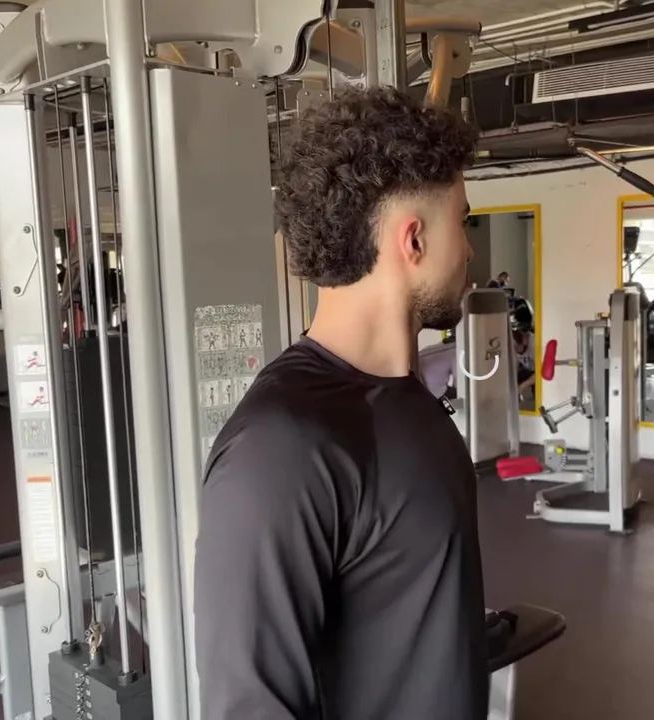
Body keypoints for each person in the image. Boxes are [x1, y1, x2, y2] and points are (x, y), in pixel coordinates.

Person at [193, 87, 487, 720]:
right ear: (413, 241)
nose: (468, 250)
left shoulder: (408, 402)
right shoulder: (281, 449)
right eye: (462, 222)